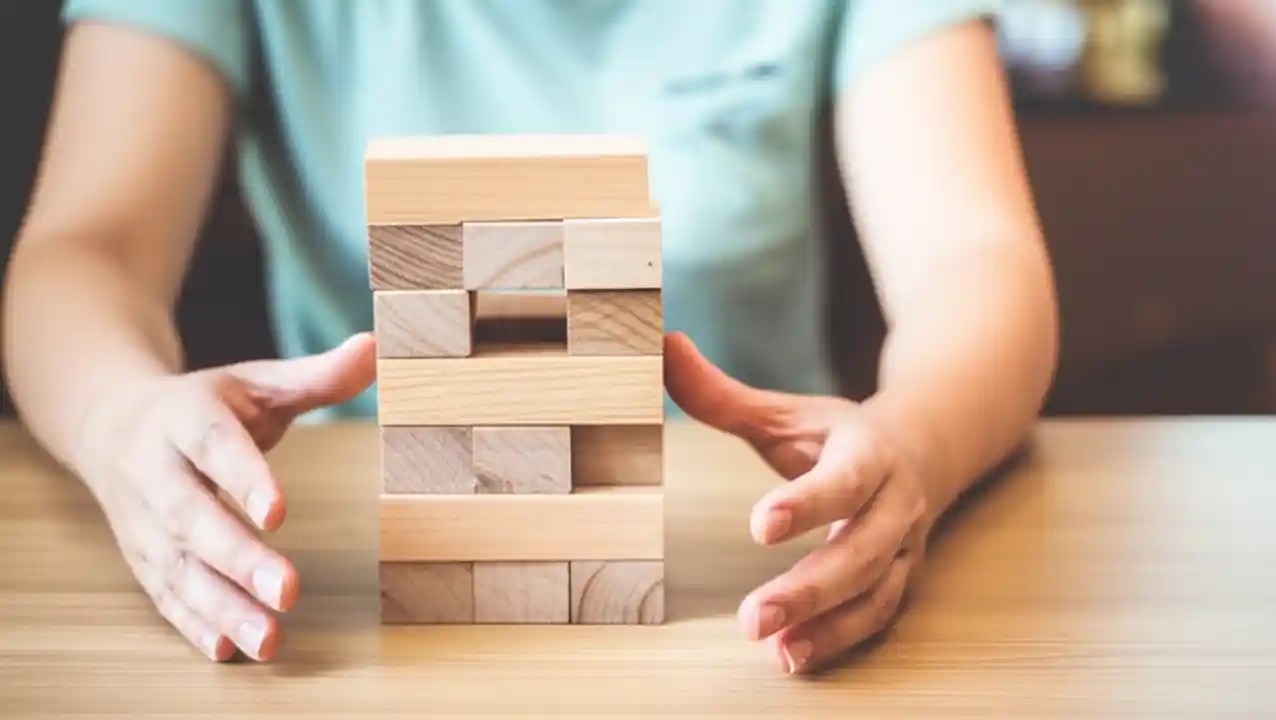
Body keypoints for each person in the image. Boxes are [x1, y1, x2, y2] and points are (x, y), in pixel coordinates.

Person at [2, 1, 1059, 675]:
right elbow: (85, 248)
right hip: (379, 601)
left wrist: (914, 439)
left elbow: (975, 259)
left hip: (745, 585)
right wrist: (116, 418)